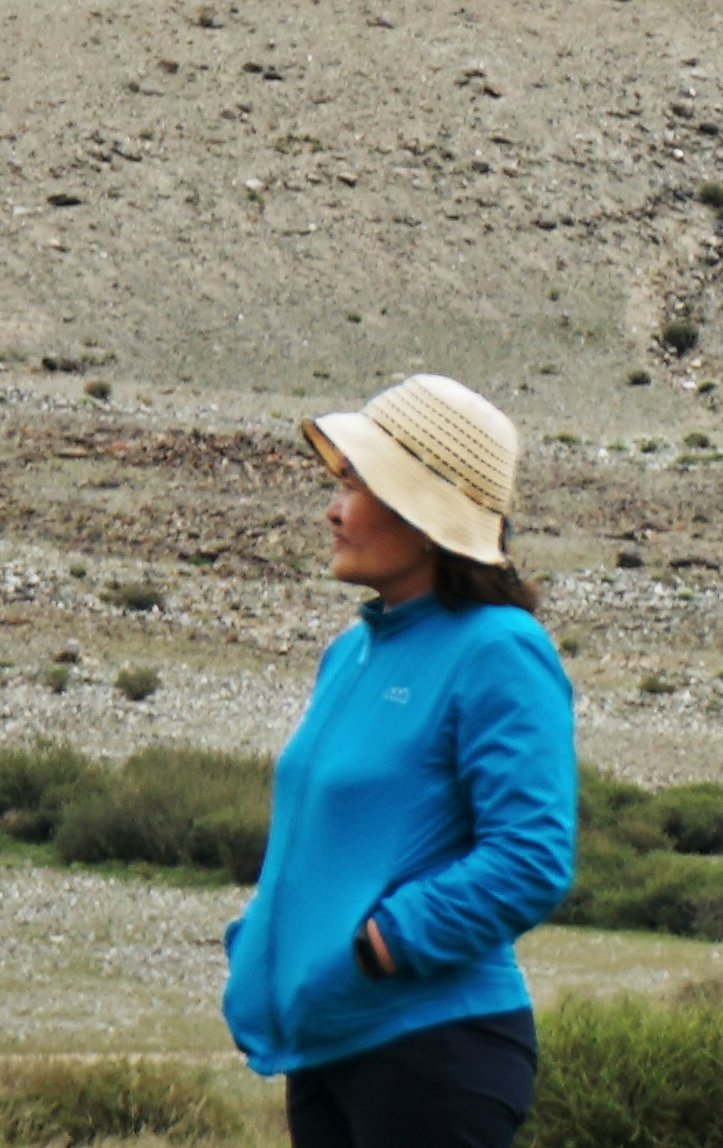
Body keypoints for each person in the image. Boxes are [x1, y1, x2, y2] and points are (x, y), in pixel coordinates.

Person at [221, 373, 577, 1148]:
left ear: (423, 515)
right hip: (331, 1044)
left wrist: (382, 942)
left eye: (355, 484)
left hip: (434, 1050)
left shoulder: (500, 650)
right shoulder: (350, 652)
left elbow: (532, 856)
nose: (332, 508)